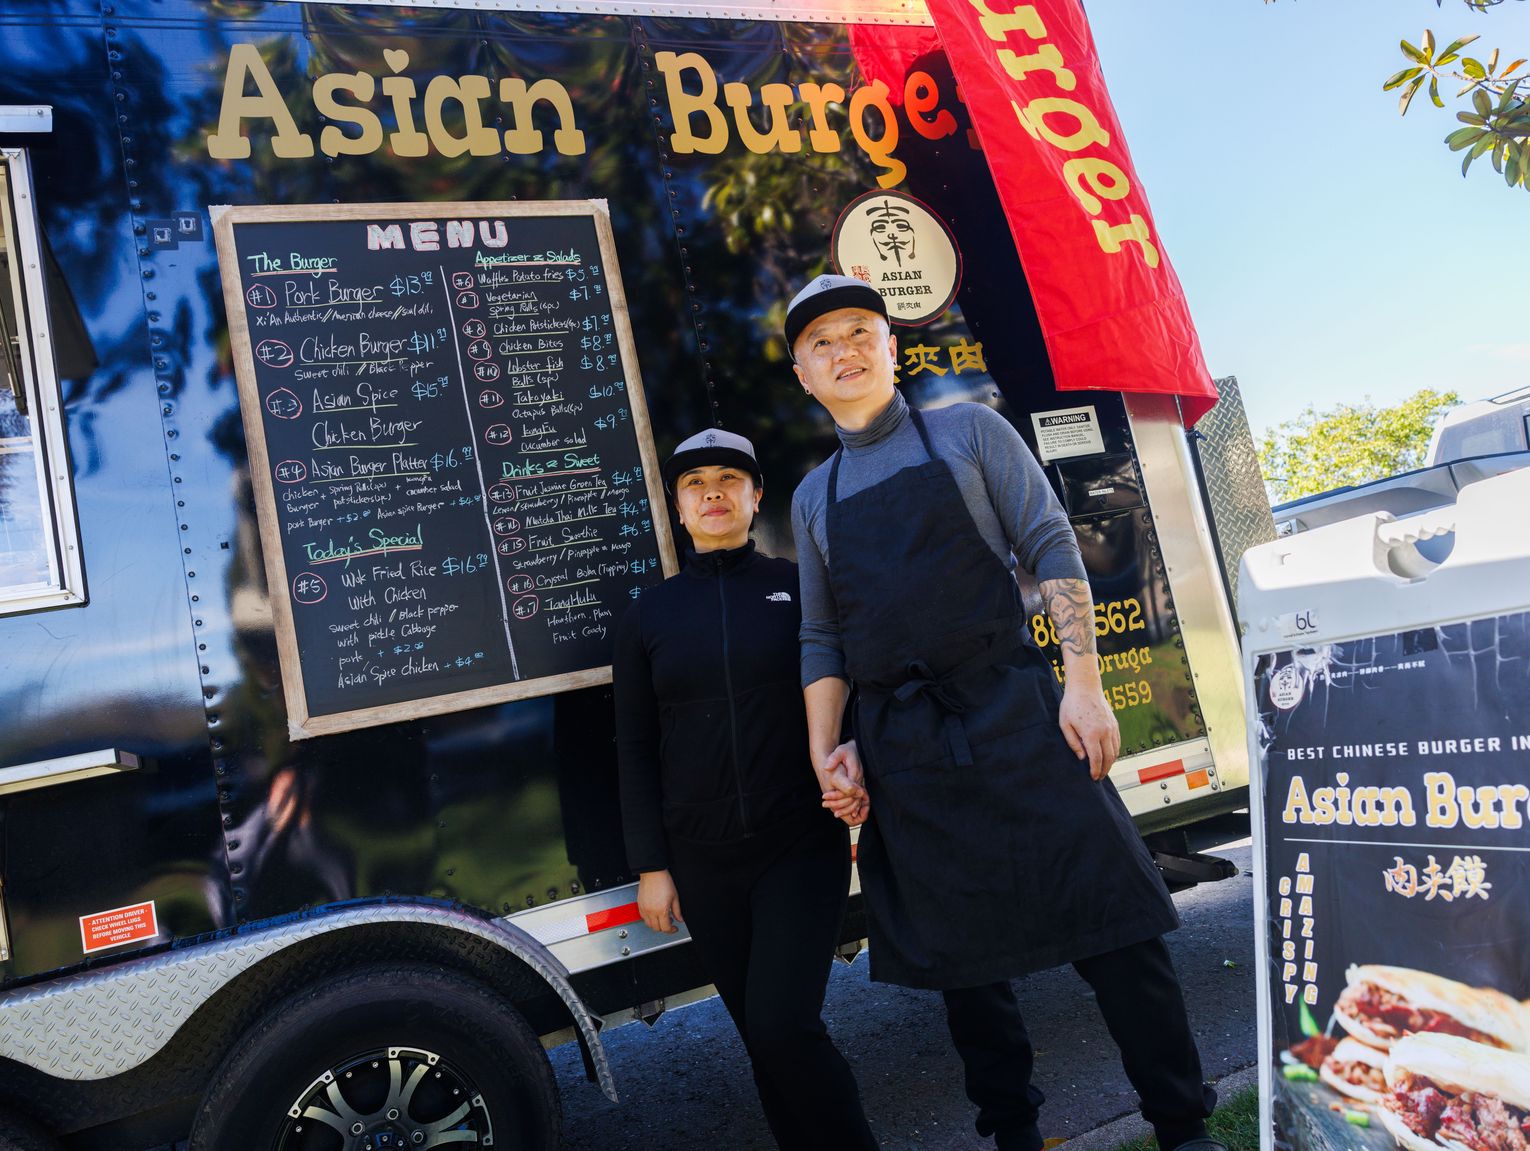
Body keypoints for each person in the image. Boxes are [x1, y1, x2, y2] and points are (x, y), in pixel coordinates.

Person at [786, 274, 1223, 1151]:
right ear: (803, 372)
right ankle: (1015, 1134)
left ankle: (1183, 1125)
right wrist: (827, 749)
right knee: (966, 970)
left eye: (858, 331)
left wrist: (1084, 683)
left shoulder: (968, 433)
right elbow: (822, 633)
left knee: (1117, 927)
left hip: (1015, 710)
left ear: (891, 346)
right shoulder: (813, 496)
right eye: (822, 342)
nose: (844, 351)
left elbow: (1050, 540)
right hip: (905, 747)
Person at [613, 428, 878, 1151]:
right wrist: (653, 866)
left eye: (730, 479)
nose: (713, 494)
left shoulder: (798, 588)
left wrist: (856, 763)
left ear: (756, 495)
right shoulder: (647, 615)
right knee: (763, 1039)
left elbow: (851, 695)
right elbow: (634, 747)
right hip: (701, 862)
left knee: (783, 1024)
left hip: (798, 845)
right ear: (677, 506)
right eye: (695, 484)